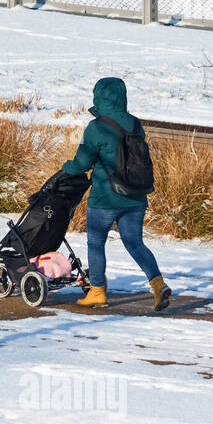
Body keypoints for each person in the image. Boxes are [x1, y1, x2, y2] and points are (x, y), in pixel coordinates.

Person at [61, 76, 171, 311]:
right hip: (136, 196)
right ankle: (158, 284)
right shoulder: (135, 124)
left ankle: (98, 292)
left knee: (96, 242)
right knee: (135, 243)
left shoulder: (97, 127)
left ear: (98, 97)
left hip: (105, 198)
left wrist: (66, 168)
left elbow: (82, 162)